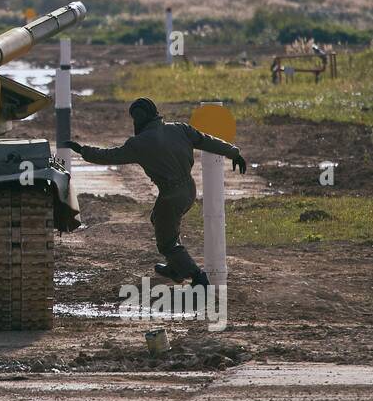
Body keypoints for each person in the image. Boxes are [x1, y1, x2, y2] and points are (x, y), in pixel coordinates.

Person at [63, 98, 247, 287]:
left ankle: (197, 277)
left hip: (170, 196)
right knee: (159, 219)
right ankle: (175, 268)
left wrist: (83, 150)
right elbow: (207, 141)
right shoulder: (179, 128)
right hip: (188, 189)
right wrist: (234, 152)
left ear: (138, 120)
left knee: (167, 243)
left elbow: (109, 156)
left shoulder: (139, 143)